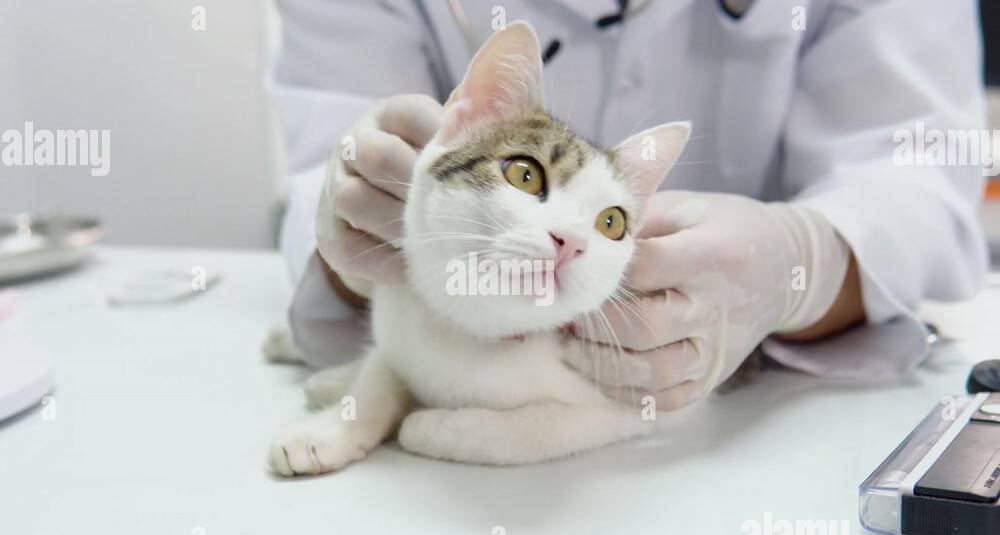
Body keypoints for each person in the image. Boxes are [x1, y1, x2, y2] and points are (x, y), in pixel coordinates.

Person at [268, 0, 989, 409]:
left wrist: (799, 259)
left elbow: (919, 175)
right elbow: (329, 149)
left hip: (760, 412)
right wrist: (356, 217)